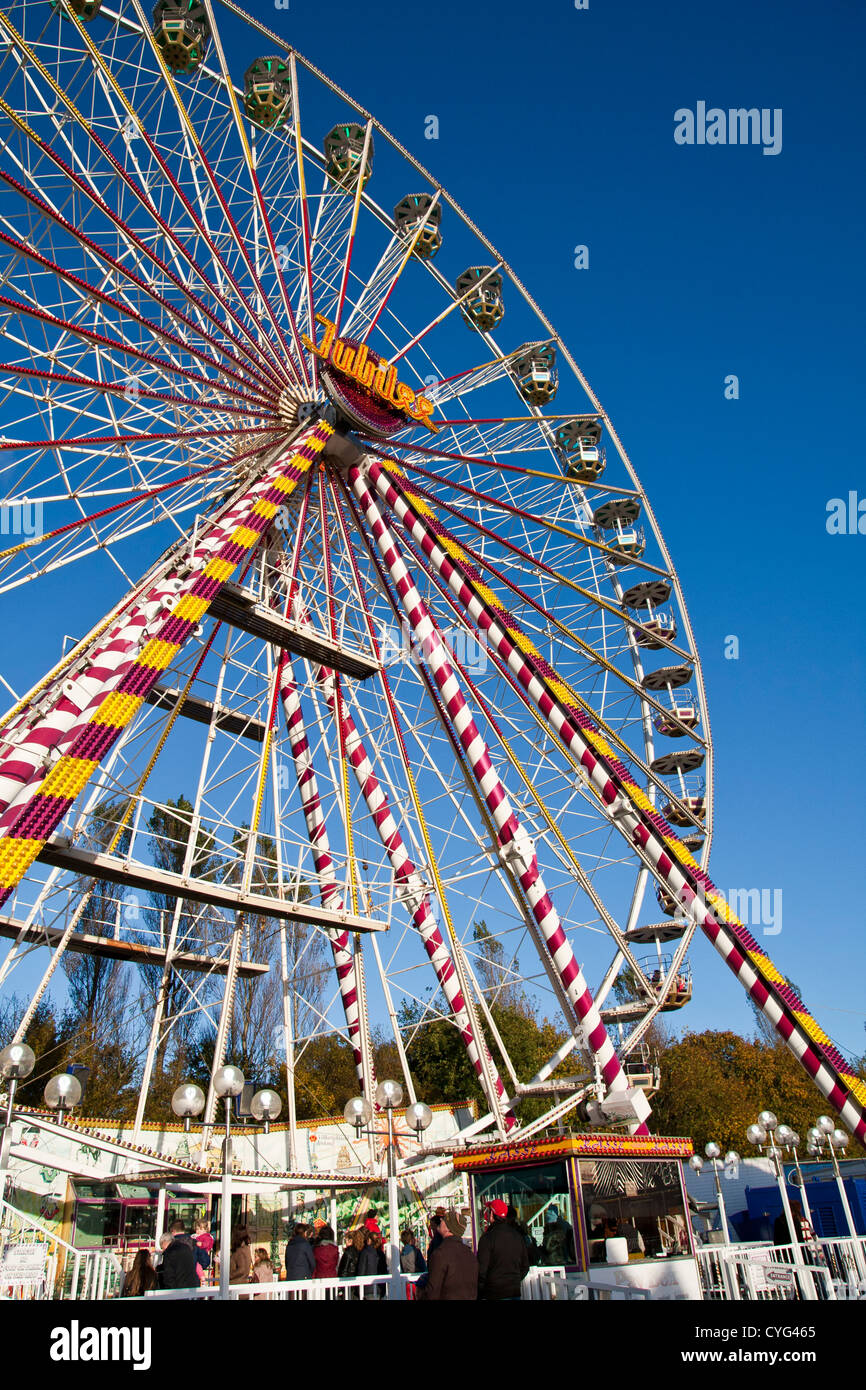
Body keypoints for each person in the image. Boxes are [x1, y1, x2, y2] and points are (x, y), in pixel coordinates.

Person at [477, 1198, 529, 1300]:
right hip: (513, 1292)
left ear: (492, 1215)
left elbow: (481, 1270)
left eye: (488, 1211)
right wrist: (514, 1280)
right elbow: (525, 1266)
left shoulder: (487, 1238)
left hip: (494, 1293)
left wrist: (483, 1289)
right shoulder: (517, 1236)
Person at [421, 1210, 478, 1301]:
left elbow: (433, 1291)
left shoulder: (440, 1254)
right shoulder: (469, 1254)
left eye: (444, 1220)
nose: (440, 1221)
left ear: (449, 1228)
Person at [158, 1220, 198, 1290]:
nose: (162, 1250)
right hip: (192, 1287)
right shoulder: (187, 1247)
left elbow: (168, 1276)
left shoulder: (169, 1252)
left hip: (178, 1289)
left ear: (165, 1242)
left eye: (162, 1247)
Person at [229, 1227, 252, 1292]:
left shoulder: (241, 1251)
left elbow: (242, 1269)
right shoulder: (245, 1249)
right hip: (239, 1286)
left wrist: (229, 1275)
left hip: (237, 1287)